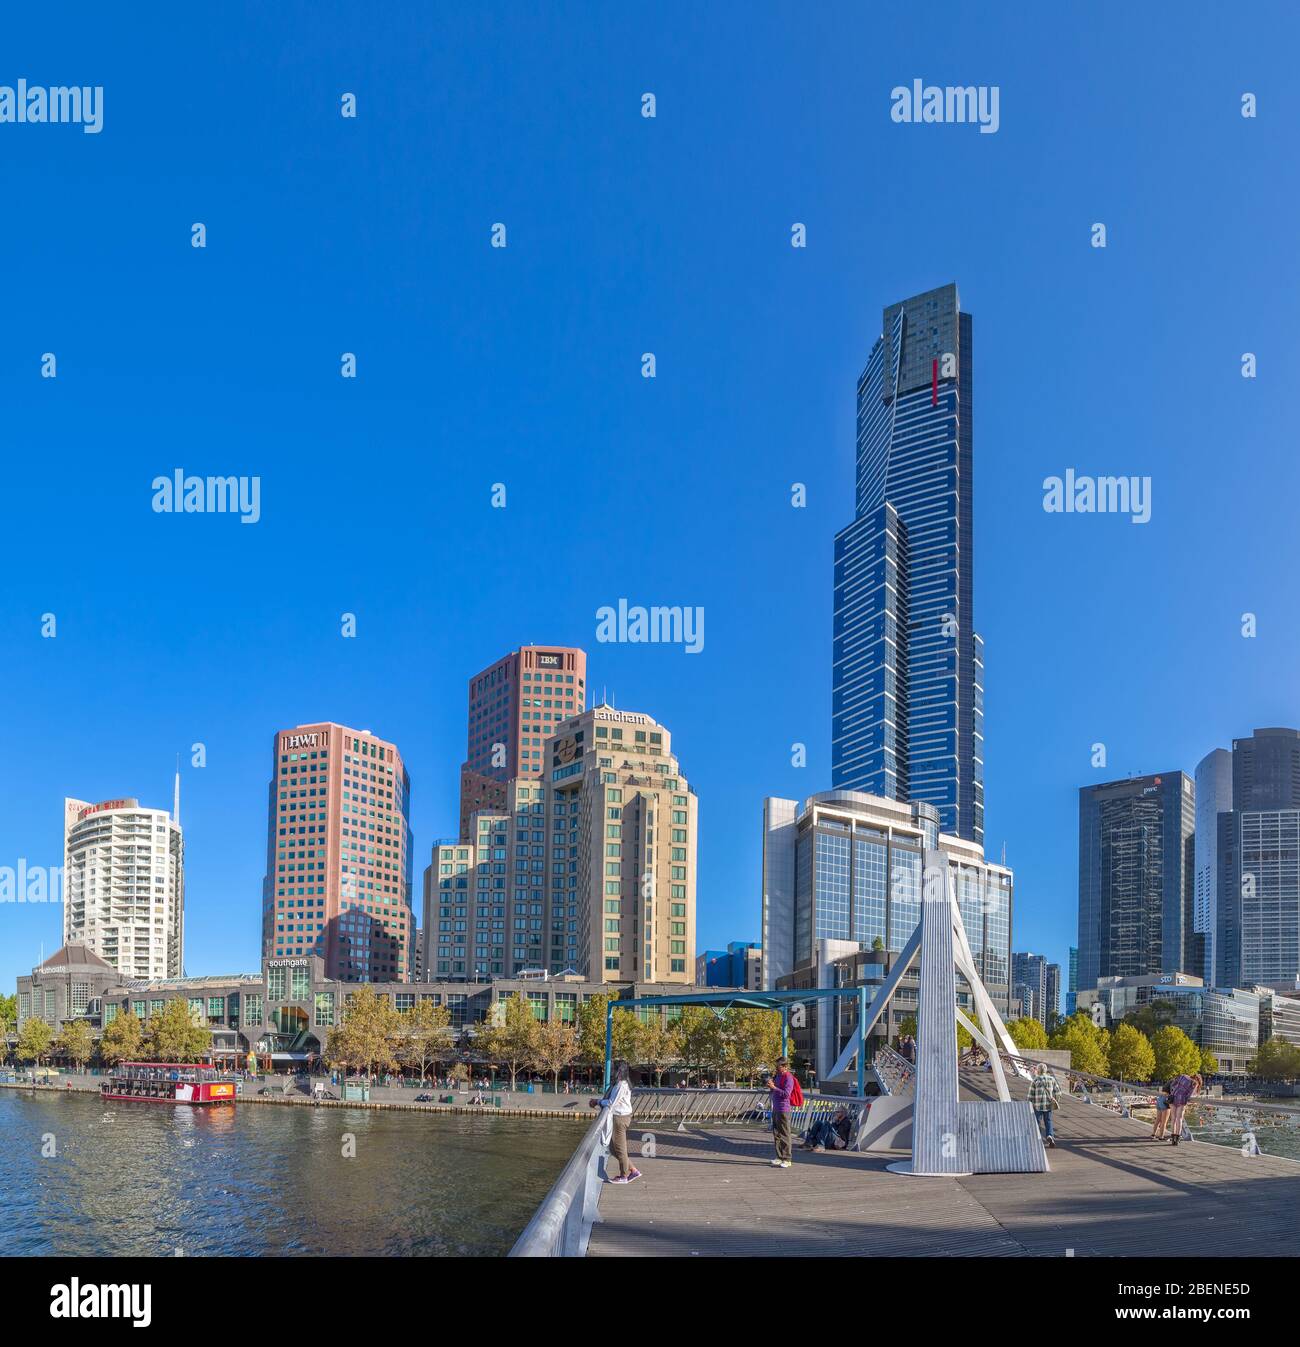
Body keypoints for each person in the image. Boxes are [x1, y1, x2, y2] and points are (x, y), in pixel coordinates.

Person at [598, 1059, 641, 1184]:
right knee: (613, 1148)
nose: (611, 1070)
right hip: (619, 1117)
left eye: (613, 1068)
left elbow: (611, 1103)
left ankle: (624, 1176)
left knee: (620, 1148)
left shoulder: (622, 1085)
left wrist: (598, 1102)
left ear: (618, 1071)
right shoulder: (621, 1083)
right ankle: (633, 1170)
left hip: (620, 1118)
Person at [766, 1057, 796, 1168]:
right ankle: (779, 1157)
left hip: (784, 1109)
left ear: (785, 1067)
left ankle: (787, 1158)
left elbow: (787, 1094)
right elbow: (775, 1089)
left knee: (785, 1134)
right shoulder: (778, 1076)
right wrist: (771, 1086)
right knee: (776, 1134)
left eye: (778, 1066)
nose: (776, 1068)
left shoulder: (789, 1077)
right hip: (776, 1108)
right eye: (776, 1066)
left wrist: (774, 1087)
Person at [1027, 1062, 1060, 1148]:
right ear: (1045, 1070)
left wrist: (1029, 1104)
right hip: (1048, 1104)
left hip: (1038, 1105)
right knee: (1048, 1121)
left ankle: (1036, 1139)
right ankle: (1049, 1136)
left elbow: (1030, 1095)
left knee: (1037, 1122)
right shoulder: (1051, 1079)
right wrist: (1055, 1099)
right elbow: (1058, 1092)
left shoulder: (1035, 1080)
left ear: (1038, 1070)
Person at [1167, 1071, 1201, 1145]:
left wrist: (1175, 1091)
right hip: (1181, 1100)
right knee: (1179, 1119)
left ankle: (1173, 1138)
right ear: (1198, 1080)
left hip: (1173, 1097)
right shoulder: (1194, 1083)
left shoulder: (1183, 1076)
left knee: (1173, 1119)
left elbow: (1173, 1084)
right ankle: (1177, 1138)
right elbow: (1189, 1095)